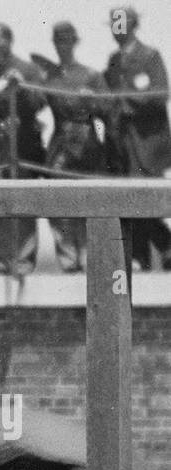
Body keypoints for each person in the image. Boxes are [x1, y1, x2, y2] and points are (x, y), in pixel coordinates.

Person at [0, 23, 46, 276]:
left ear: (9, 41)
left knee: (22, 201)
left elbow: (39, 102)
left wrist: (22, 87)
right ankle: (3, 258)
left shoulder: (28, 70)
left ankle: (23, 260)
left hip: (23, 147)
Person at [104, 5, 171, 270]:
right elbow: (107, 93)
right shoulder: (113, 60)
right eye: (114, 24)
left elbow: (160, 93)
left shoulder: (150, 56)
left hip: (147, 143)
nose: (117, 29)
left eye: (121, 23)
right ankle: (141, 258)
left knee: (141, 197)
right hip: (122, 143)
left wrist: (128, 100)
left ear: (133, 25)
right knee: (129, 197)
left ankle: (164, 246)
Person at [40, 22, 108, 272]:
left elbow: (109, 111)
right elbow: (35, 102)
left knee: (90, 200)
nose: (63, 46)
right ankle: (68, 260)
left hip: (88, 145)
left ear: (74, 43)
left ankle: (90, 260)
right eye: (59, 41)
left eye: (67, 40)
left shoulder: (92, 75)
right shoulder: (49, 77)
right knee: (59, 202)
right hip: (60, 144)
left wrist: (93, 102)